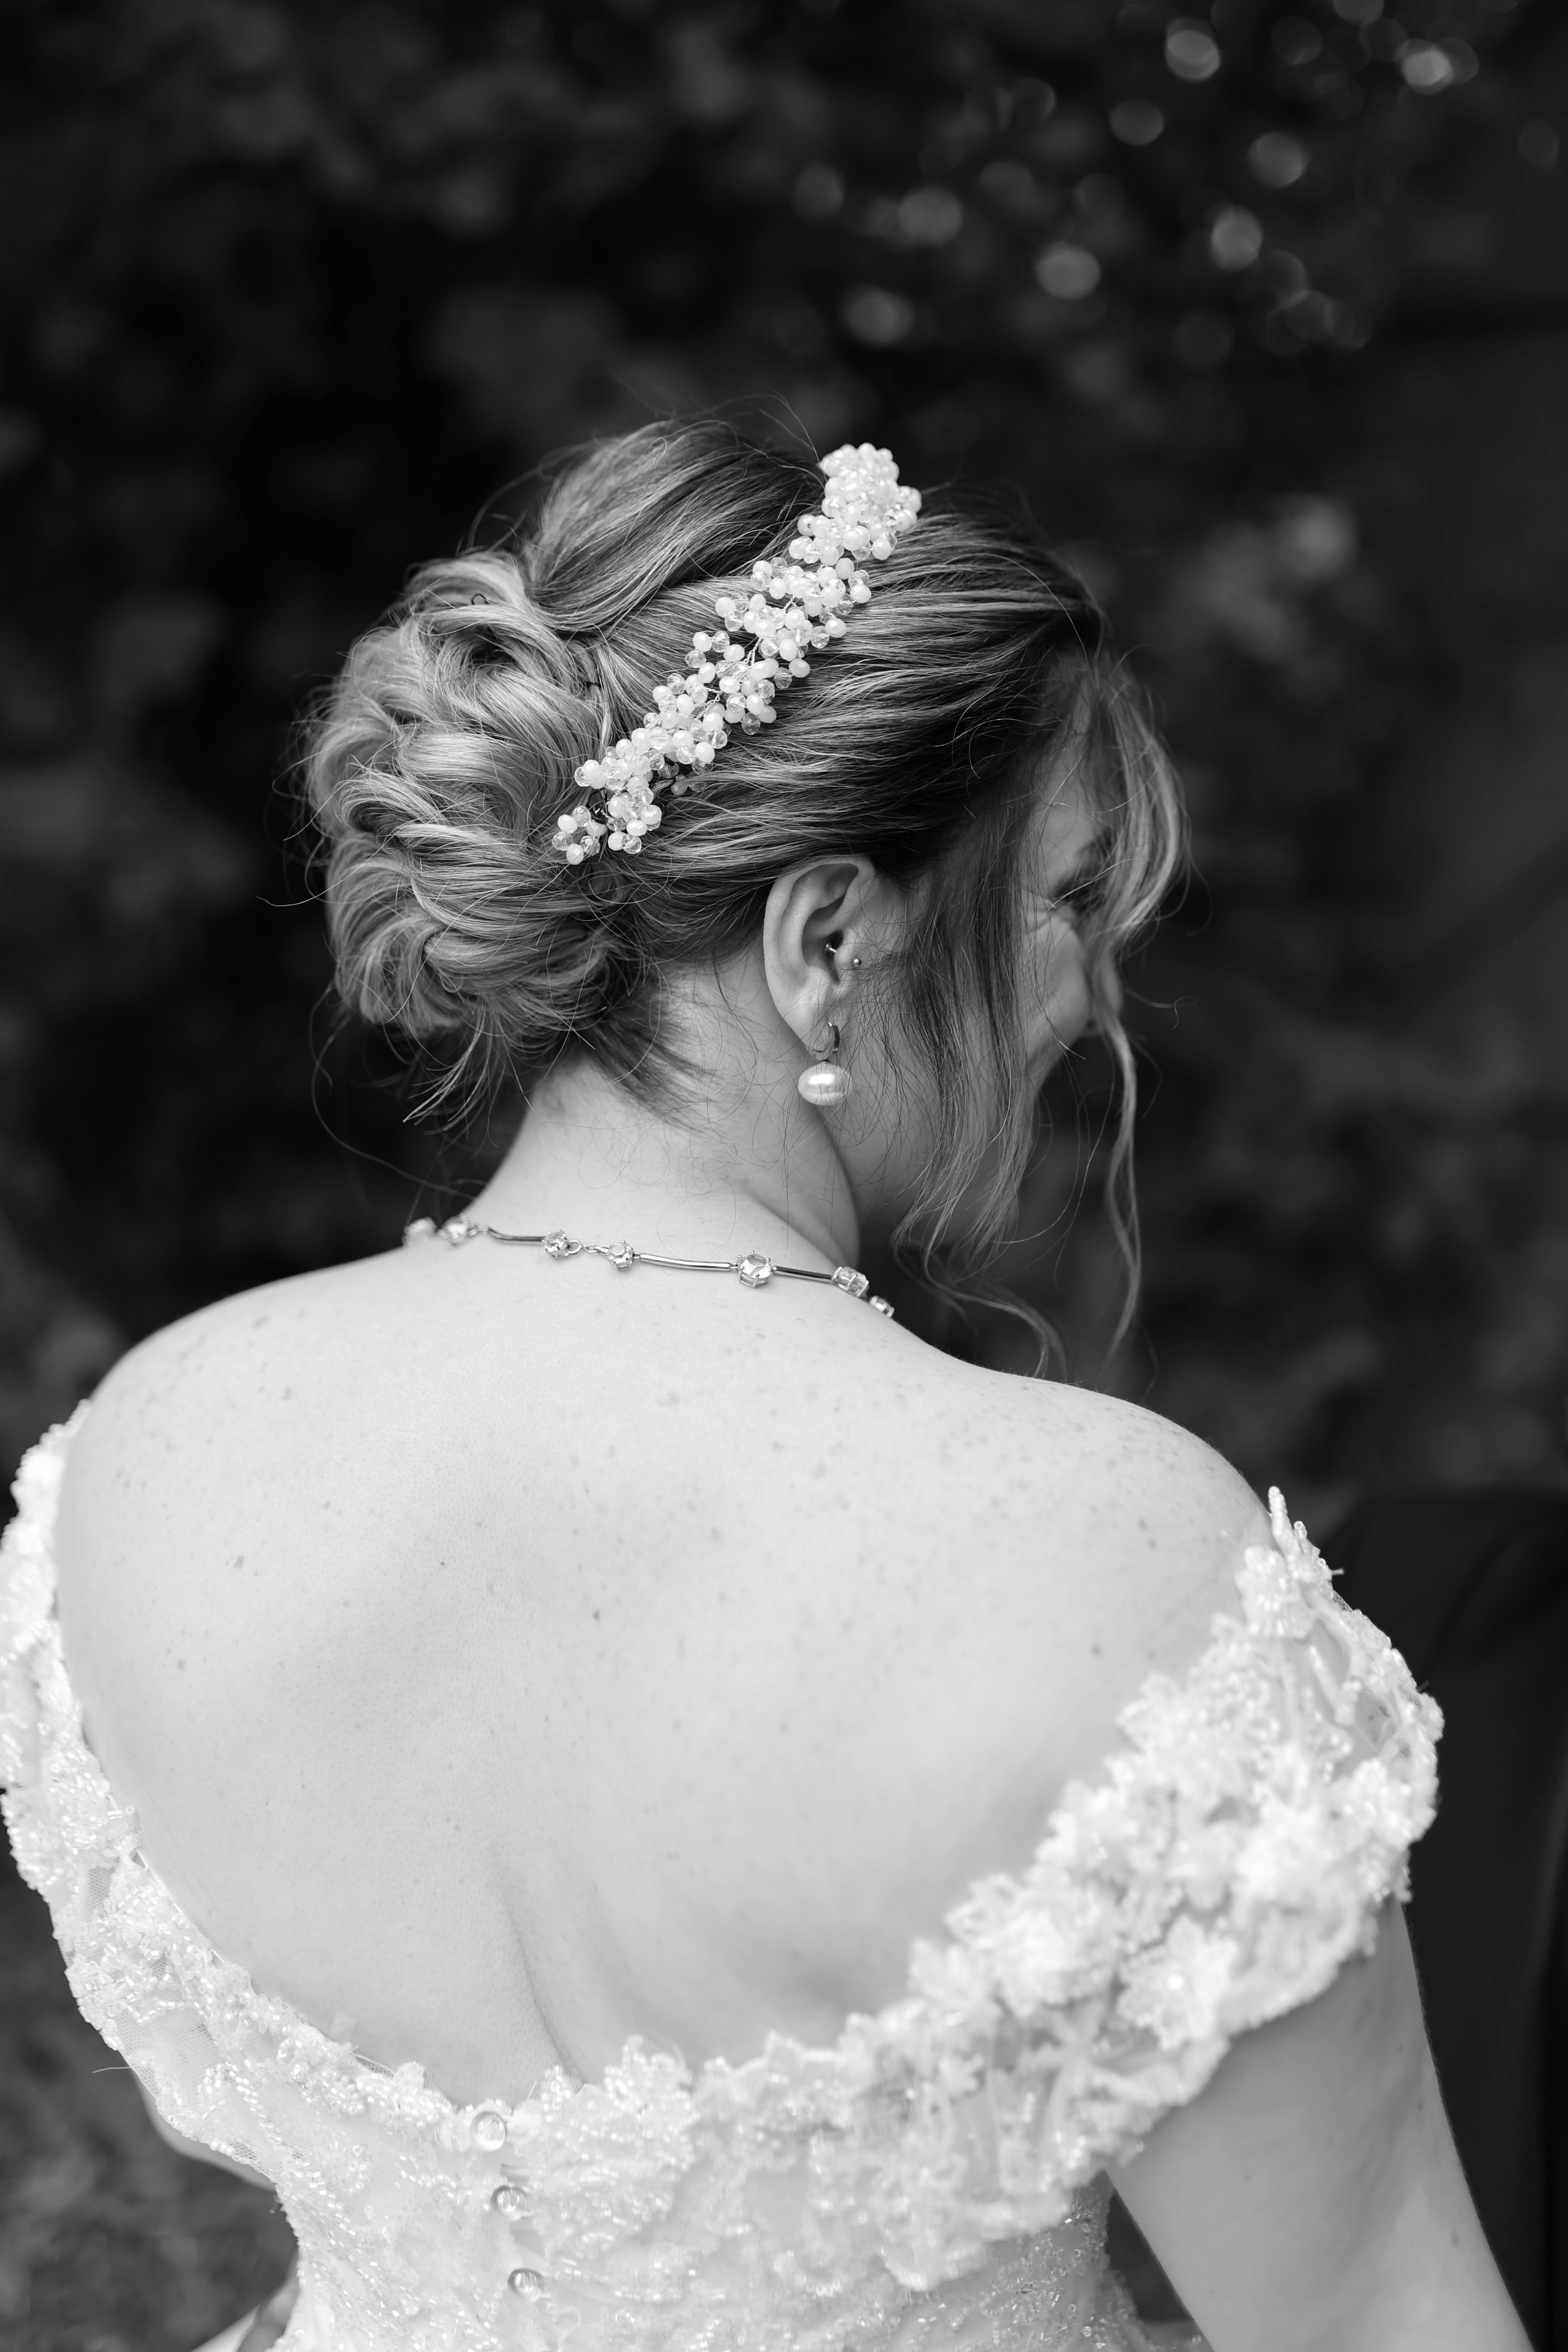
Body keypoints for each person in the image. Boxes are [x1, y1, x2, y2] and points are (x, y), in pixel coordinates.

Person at [0, 423, 1528, 2352]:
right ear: (827, 945)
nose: (1089, 1004)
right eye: (1063, 905)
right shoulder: (1107, 1566)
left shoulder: (150, 1458)